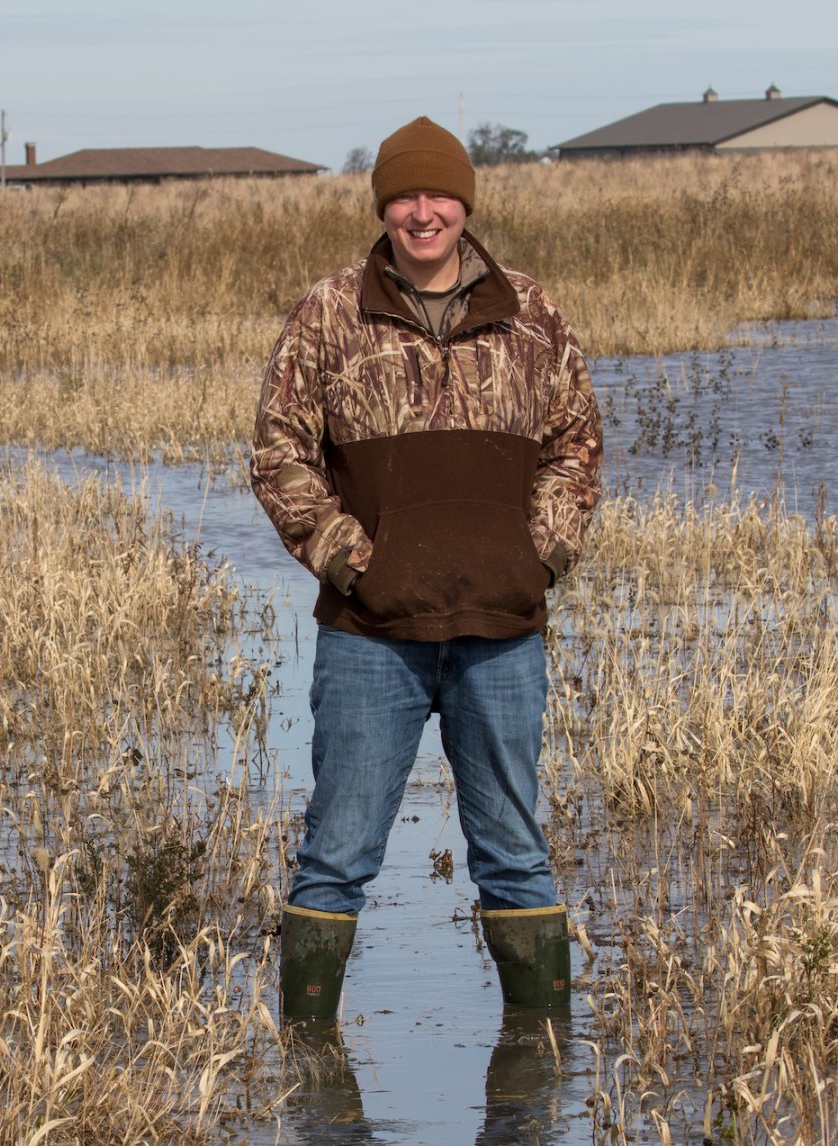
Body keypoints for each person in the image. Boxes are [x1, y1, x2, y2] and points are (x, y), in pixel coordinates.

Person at [251, 116, 602, 1025]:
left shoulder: (532, 312)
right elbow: (279, 455)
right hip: (372, 638)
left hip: (502, 634)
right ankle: (313, 1078)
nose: (421, 212)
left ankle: (537, 1081)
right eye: (404, 196)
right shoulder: (329, 312)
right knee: (336, 856)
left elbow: (577, 443)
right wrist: (352, 560)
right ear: (383, 207)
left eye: (437, 194)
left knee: (517, 856)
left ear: (465, 203)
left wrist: (541, 555)